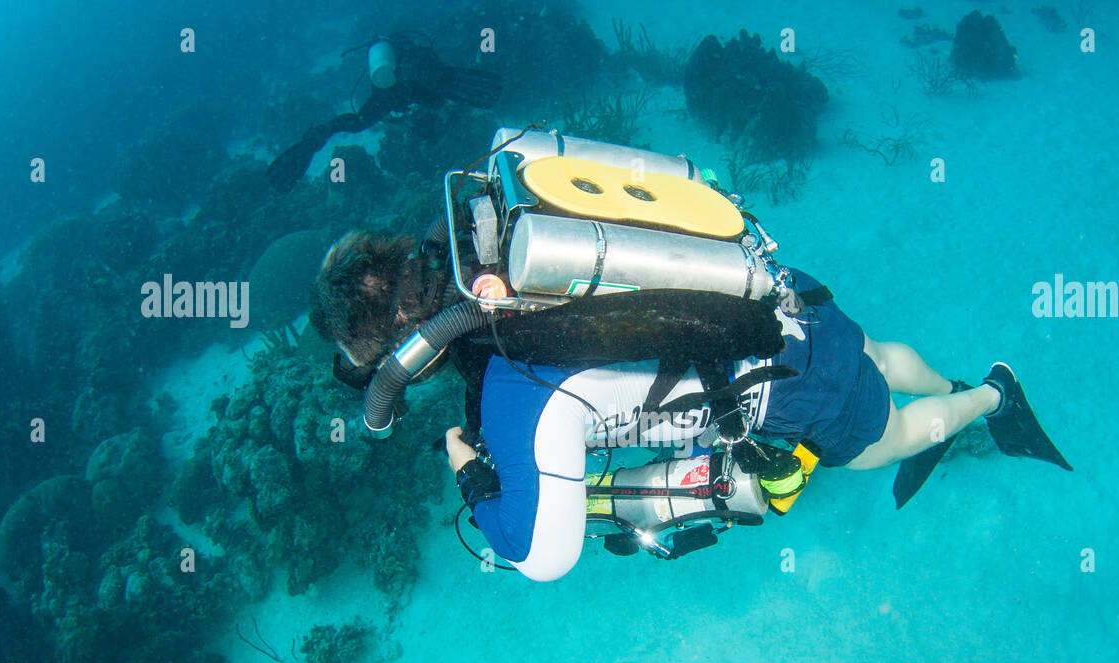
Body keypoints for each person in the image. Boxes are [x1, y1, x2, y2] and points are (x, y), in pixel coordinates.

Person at [309, 229, 1070, 582]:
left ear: (409, 357)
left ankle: (995, 395)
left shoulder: (511, 392)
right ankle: (947, 382)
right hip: (778, 290)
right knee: (870, 351)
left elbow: (543, 555)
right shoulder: (498, 229)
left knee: (887, 437)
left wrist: (472, 476)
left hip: (776, 379)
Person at [266, 34, 501, 192]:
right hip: (417, 87)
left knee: (358, 121)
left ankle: (314, 140)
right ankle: (491, 93)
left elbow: (361, 119)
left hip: (393, 95)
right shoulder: (413, 53)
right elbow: (435, 78)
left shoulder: (386, 75)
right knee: (447, 90)